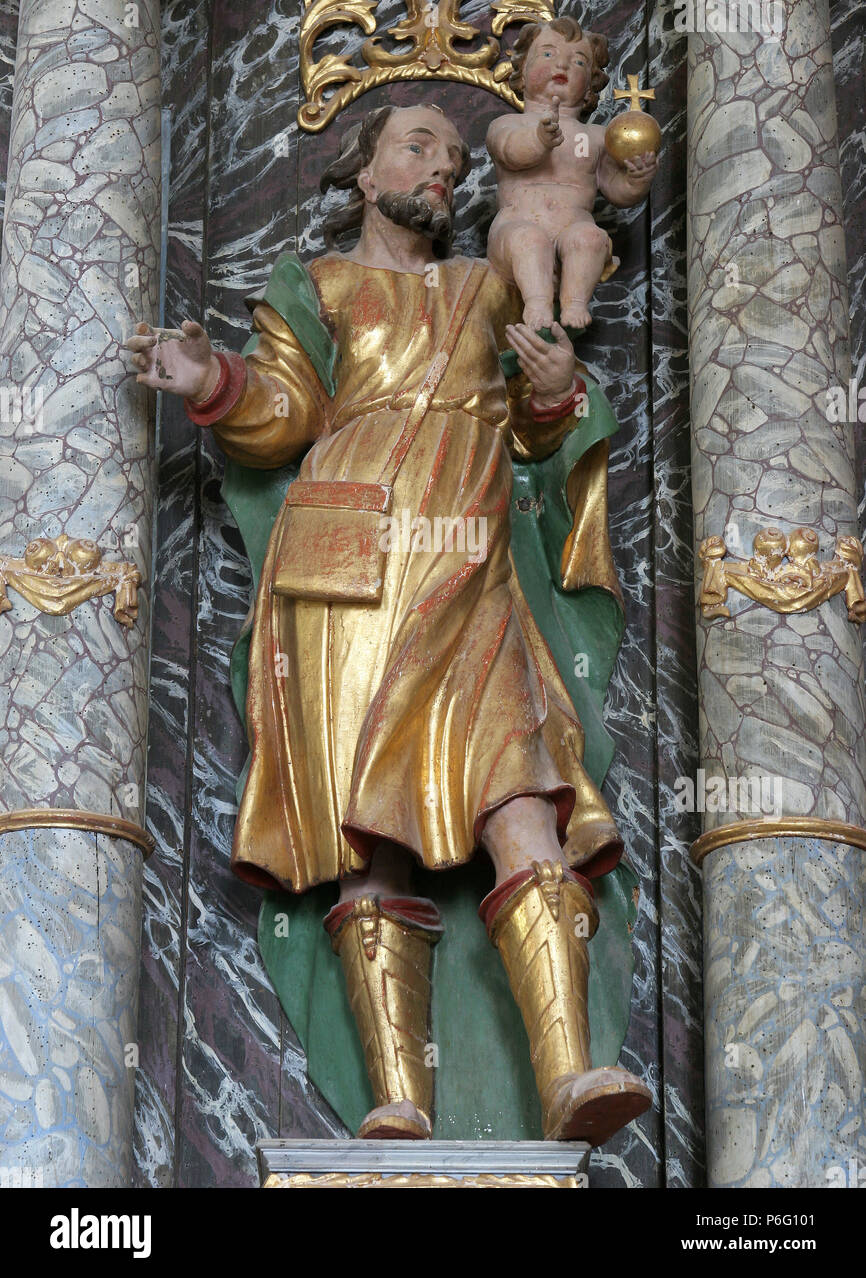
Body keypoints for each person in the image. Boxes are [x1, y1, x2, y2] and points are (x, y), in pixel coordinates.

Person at [125, 102, 650, 1145]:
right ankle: (395, 1097)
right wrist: (211, 382)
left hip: (473, 566)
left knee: (524, 804)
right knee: (367, 835)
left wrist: (549, 396)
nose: (442, 170)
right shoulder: (316, 286)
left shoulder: (489, 282)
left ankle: (569, 1075)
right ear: (362, 176)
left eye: (456, 160)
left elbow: (541, 425)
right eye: (416, 147)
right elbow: (283, 417)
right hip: (350, 574)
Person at [487, 17, 657, 330]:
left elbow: (614, 188)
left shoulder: (595, 136)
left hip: (573, 227)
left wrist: (636, 179)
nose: (562, 65)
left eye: (578, 61)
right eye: (548, 55)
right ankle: (537, 303)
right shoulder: (508, 125)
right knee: (528, 239)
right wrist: (539, 139)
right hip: (516, 228)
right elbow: (511, 153)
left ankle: (574, 303)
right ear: (522, 71)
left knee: (591, 237)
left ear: (591, 84)